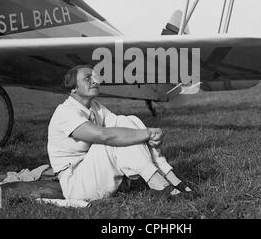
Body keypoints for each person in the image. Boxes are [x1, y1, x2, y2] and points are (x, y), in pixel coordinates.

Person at [47, 64, 193, 202]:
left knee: (129, 120)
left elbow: (122, 125)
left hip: (97, 173)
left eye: (95, 77)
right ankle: (157, 181)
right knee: (113, 139)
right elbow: (104, 135)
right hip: (77, 185)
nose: (95, 81)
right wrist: (147, 134)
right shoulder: (65, 112)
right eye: (87, 78)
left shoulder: (95, 107)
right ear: (73, 88)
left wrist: (149, 136)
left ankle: (169, 176)